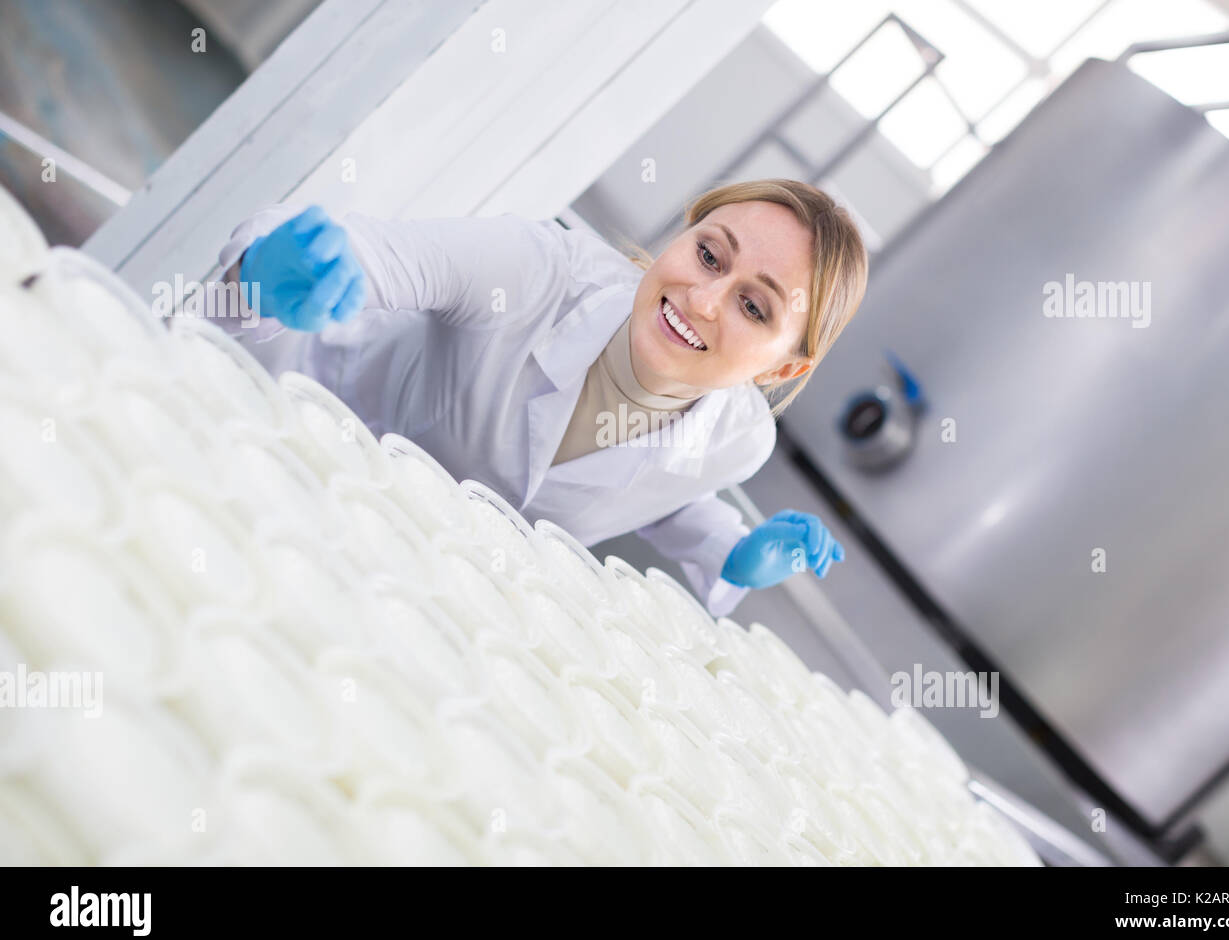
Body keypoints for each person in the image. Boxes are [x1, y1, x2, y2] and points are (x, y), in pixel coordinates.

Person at [205, 178, 868, 618]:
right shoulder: (534, 274)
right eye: (709, 256)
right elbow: (375, 252)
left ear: (784, 369)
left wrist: (728, 550)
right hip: (280, 451)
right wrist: (266, 270)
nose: (703, 299)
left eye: (754, 307)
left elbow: (663, 487)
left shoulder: (739, 442)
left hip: (415, 590)